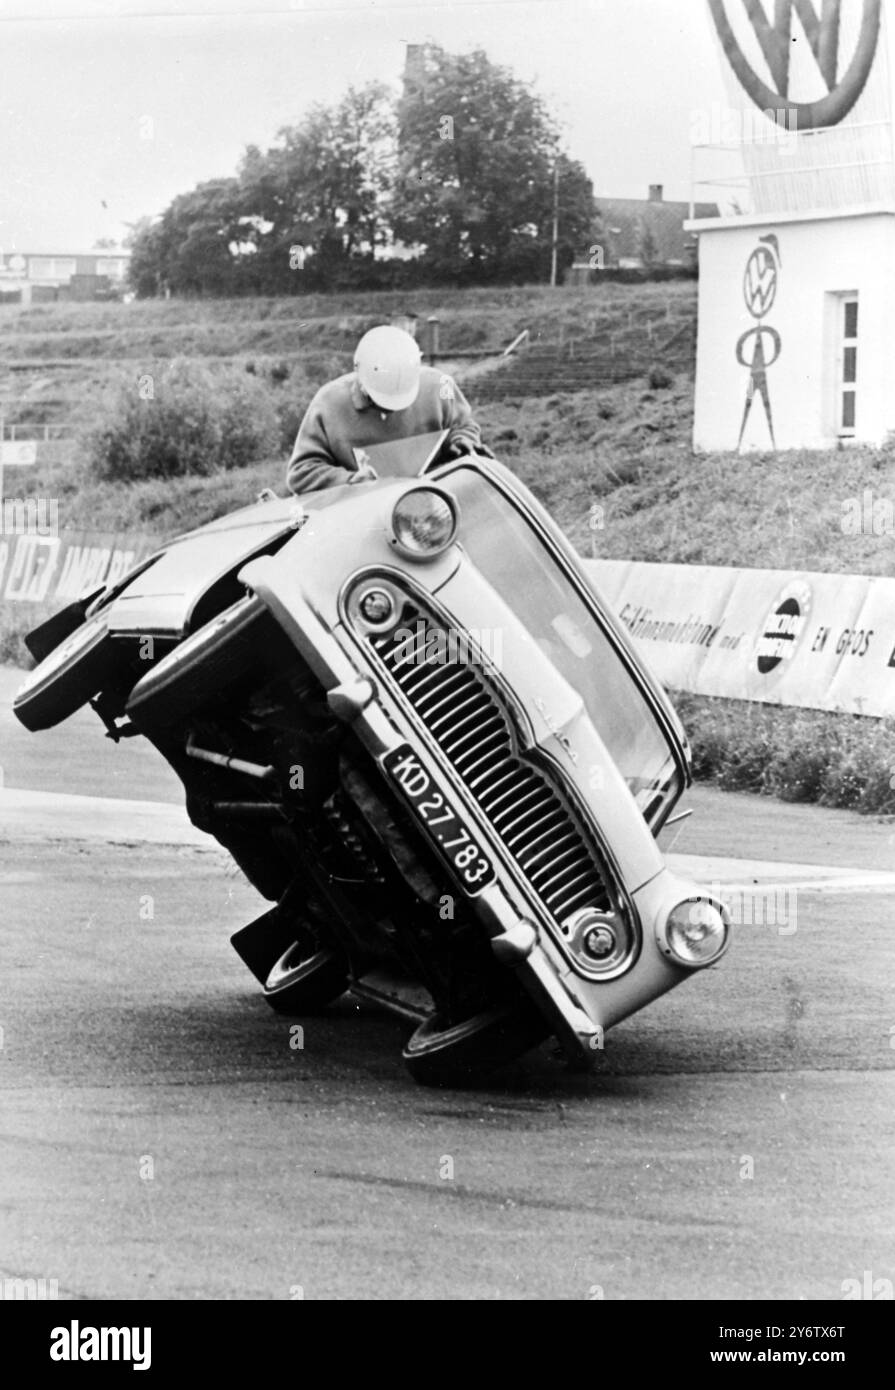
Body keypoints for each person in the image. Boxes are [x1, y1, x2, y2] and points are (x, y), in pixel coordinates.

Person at [285, 325, 488, 495]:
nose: (390, 410)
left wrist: (462, 441)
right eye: (381, 399)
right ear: (359, 373)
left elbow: (464, 426)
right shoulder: (329, 403)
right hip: (363, 512)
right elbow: (302, 472)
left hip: (436, 500)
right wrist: (350, 480)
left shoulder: (439, 387)